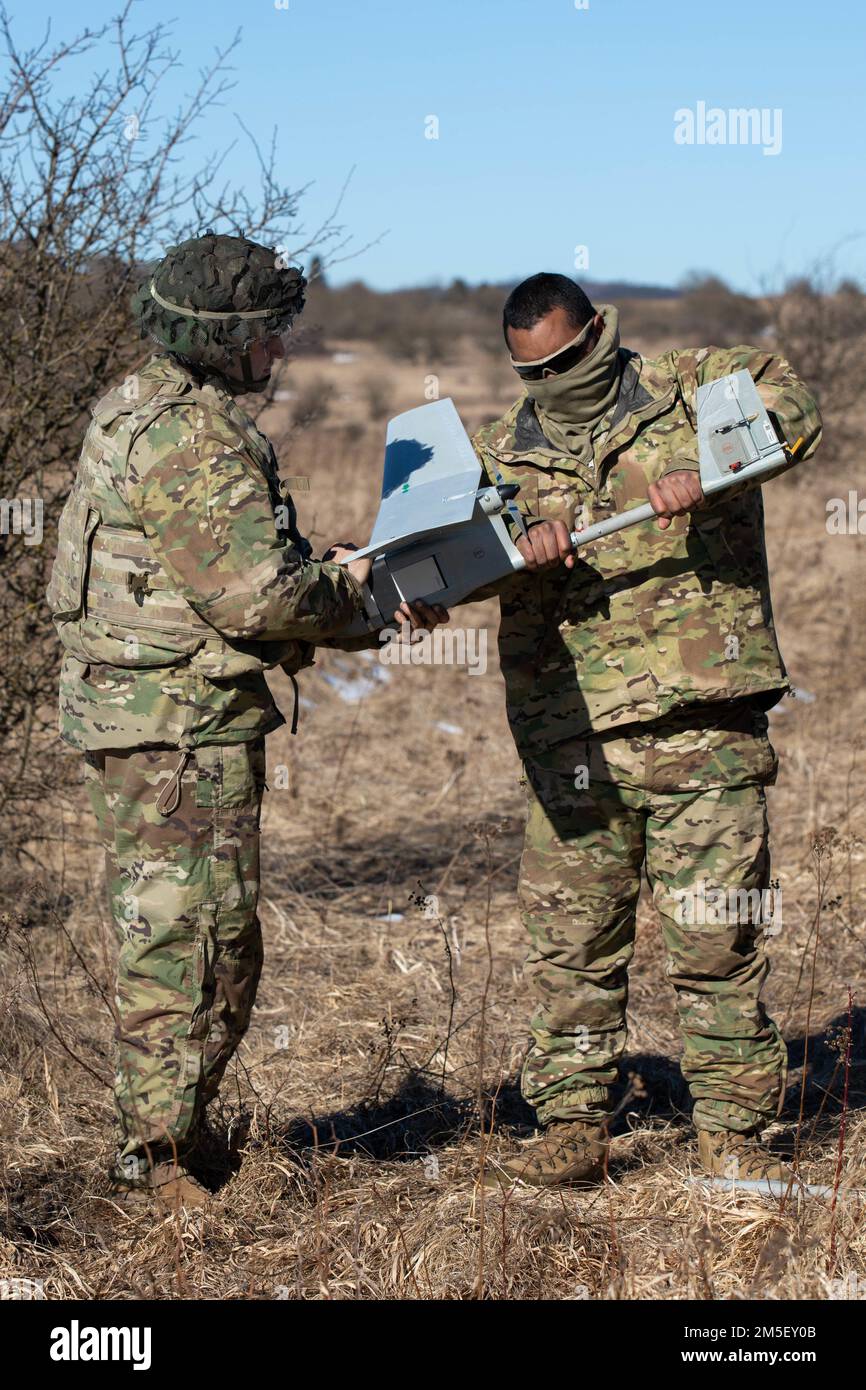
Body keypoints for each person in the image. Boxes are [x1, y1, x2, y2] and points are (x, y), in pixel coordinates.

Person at [47, 233, 446, 1207]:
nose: (282, 350)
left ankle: (167, 1137)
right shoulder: (195, 432)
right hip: (178, 725)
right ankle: (158, 1160)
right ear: (221, 341)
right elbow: (256, 598)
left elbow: (218, 571)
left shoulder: (143, 405)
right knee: (197, 945)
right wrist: (365, 607)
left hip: (150, 714)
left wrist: (338, 571)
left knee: (181, 934)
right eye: (270, 334)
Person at [470, 273, 821, 1189]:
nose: (550, 380)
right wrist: (517, 546)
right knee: (573, 950)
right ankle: (574, 1127)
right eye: (530, 371)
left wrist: (712, 468)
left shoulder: (701, 383)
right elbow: (444, 561)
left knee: (717, 942)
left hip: (702, 730)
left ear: (598, 332)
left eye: (565, 360)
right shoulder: (495, 453)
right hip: (571, 739)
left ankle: (736, 1137)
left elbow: (795, 409)